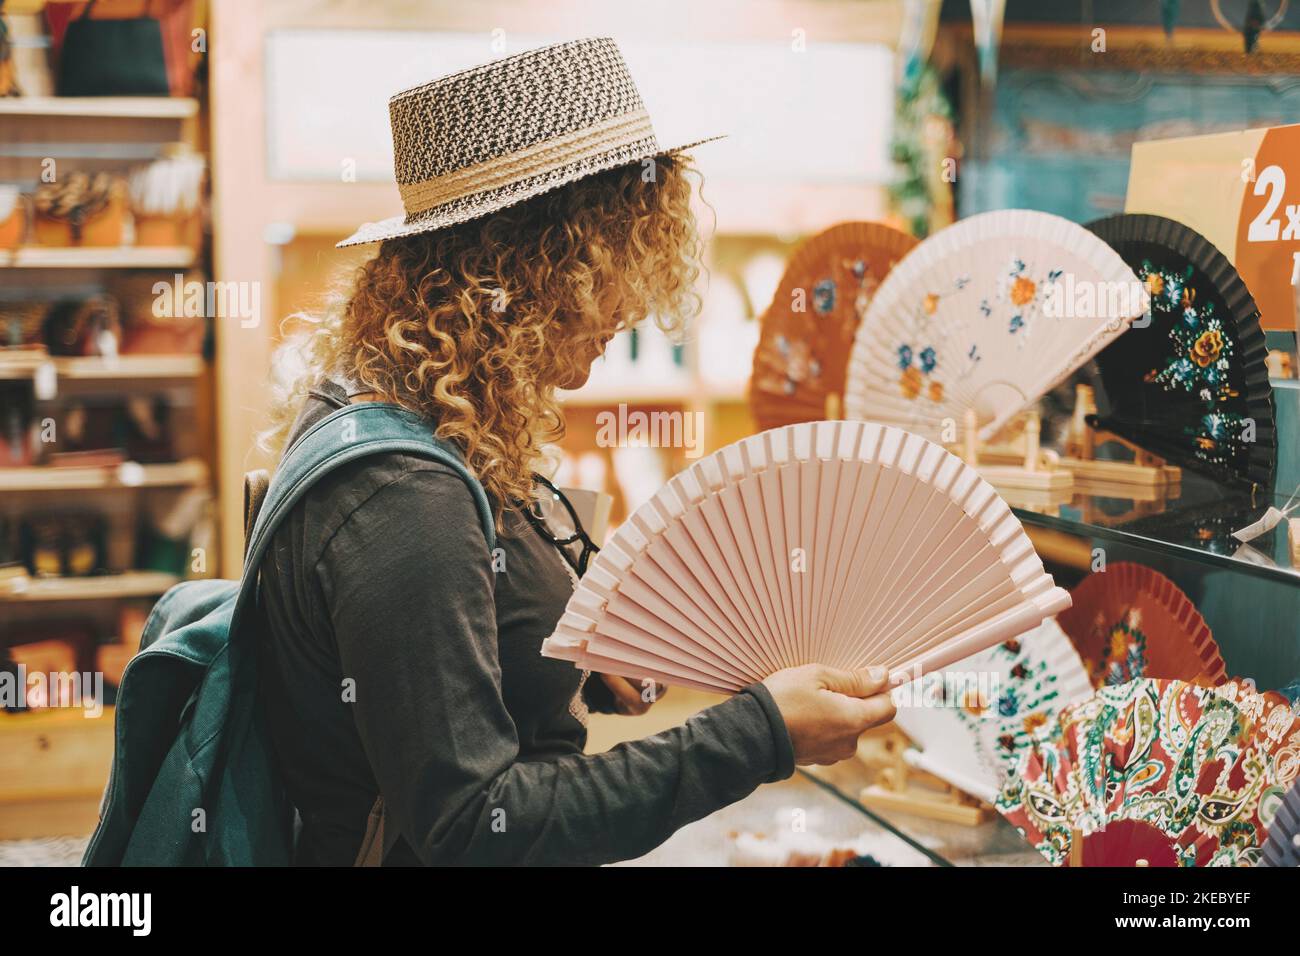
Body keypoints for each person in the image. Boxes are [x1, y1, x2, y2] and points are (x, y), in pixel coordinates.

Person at [258, 37, 896, 866]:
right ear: (532, 268)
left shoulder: (389, 413)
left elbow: (428, 660)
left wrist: (558, 660)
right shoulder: (404, 494)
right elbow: (473, 824)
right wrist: (759, 734)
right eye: (608, 270)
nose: (622, 310)